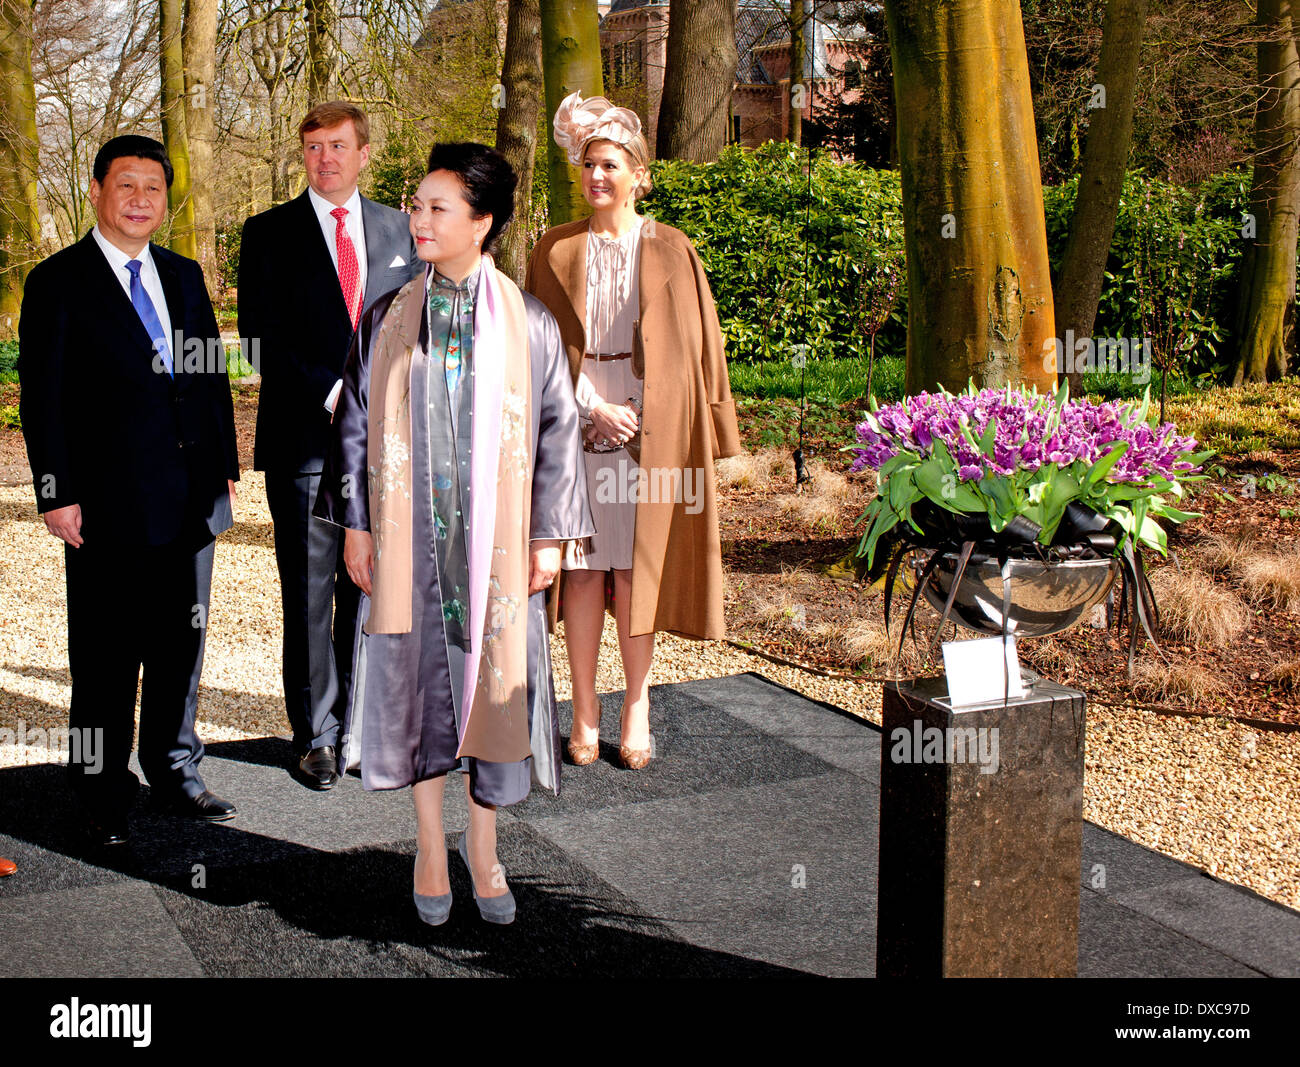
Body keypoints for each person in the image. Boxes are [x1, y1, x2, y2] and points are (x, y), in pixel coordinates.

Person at [315, 142, 591, 926]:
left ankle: (485, 846)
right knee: (419, 691)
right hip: (410, 546)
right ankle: (431, 843)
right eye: (416, 205)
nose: (419, 220)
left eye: (438, 208)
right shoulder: (388, 315)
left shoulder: (529, 321)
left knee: (493, 692)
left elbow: (557, 430)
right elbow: (356, 429)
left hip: (496, 552)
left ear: (483, 222)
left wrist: (547, 537)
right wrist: (357, 529)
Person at [18, 134, 240, 847]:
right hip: (105, 506)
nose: (140, 200)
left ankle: (174, 769)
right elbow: (41, 396)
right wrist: (54, 491)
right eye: (126, 185)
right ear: (95, 190)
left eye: (153, 188)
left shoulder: (183, 274)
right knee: (105, 661)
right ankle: (98, 792)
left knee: (181, 646)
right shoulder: (57, 281)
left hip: (190, 499)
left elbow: (208, 377)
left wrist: (226, 465)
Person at [526, 92, 743, 770]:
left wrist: (674, 419)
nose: (597, 176)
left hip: (653, 427)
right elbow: (538, 345)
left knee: (636, 569)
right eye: (589, 164)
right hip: (577, 420)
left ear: (639, 174)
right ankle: (585, 709)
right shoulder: (553, 249)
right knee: (585, 571)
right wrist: (591, 405)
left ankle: (638, 705)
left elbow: (699, 349)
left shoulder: (675, 250)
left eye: (611, 165)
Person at [238, 101, 421, 790]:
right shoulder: (268, 234)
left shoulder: (402, 231)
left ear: (364, 153)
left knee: (371, 586)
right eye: (314, 147)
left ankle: (365, 724)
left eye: (339, 146)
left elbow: (418, 326)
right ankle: (315, 734)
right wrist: (336, 390)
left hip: (387, 450)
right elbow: (258, 337)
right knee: (312, 593)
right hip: (306, 443)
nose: (326, 158)